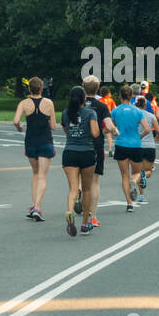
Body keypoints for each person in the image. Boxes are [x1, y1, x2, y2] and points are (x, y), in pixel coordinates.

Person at [13, 77, 56, 221]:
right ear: (42, 88)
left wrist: (19, 128)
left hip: (31, 142)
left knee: (35, 174)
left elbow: (16, 120)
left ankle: (34, 205)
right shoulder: (49, 103)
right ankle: (37, 208)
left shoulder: (24, 103)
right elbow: (53, 126)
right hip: (45, 141)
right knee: (43, 176)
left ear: (29, 89)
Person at [60, 86, 99, 236]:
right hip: (87, 153)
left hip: (69, 152)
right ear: (84, 98)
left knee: (73, 189)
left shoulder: (65, 113)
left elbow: (65, 130)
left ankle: (70, 212)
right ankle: (84, 224)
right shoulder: (90, 113)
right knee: (87, 189)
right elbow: (95, 133)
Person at [81, 76, 117, 227]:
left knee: (80, 180)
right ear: (98, 88)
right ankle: (93, 216)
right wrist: (116, 131)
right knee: (94, 181)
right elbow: (109, 126)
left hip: (78, 145)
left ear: (83, 87)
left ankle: (79, 199)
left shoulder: (77, 104)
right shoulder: (102, 106)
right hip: (95, 146)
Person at [110, 85, 151, 212]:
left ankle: (129, 203)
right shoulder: (137, 111)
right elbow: (147, 129)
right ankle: (134, 182)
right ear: (131, 95)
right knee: (137, 173)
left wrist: (116, 131)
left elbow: (109, 127)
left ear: (120, 96)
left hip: (121, 144)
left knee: (124, 176)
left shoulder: (116, 111)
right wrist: (139, 136)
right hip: (135, 145)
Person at [134, 95, 159, 201]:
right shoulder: (151, 116)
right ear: (145, 105)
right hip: (149, 146)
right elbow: (158, 130)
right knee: (148, 171)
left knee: (138, 172)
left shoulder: (133, 117)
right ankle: (145, 175)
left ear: (135, 104)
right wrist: (157, 138)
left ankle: (141, 195)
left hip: (137, 146)